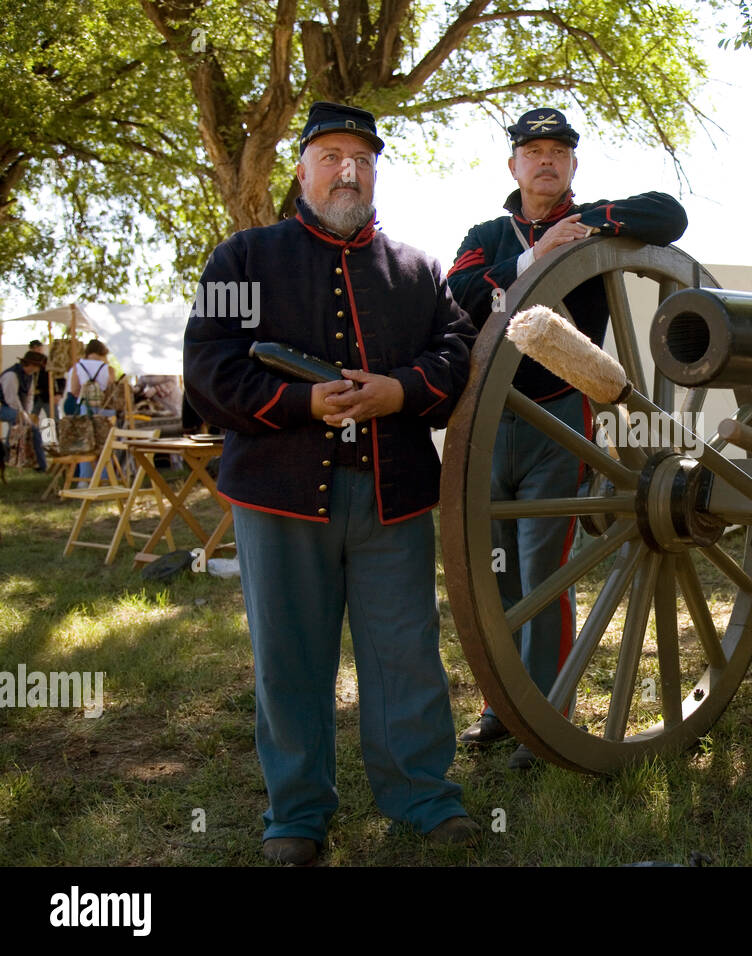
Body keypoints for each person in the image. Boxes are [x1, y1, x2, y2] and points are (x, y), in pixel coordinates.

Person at [184, 101, 480, 865]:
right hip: (281, 494)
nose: (348, 170)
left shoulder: (417, 269)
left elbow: (456, 354)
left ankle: (422, 795)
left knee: (406, 653)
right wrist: (300, 401)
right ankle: (297, 813)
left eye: (363, 158)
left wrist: (400, 391)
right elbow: (210, 369)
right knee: (289, 658)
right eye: (332, 156)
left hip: (394, 494)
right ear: (303, 169)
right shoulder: (242, 260)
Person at [447, 107, 687, 769]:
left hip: (559, 422)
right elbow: (461, 293)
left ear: (573, 165)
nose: (545, 161)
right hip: (489, 422)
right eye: (533, 151)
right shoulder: (487, 234)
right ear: (514, 165)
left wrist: (591, 227)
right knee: (495, 574)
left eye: (558, 151)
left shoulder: (593, 221)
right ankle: (503, 704)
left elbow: (668, 216)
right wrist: (534, 256)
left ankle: (547, 716)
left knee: (544, 575)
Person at [67, 340, 117, 480]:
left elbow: (74, 390)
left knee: (86, 444)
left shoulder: (78, 367)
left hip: (86, 408)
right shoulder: (108, 368)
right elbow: (111, 390)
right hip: (105, 408)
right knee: (106, 445)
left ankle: (85, 479)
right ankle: (106, 478)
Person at [0, 350, 49, 472]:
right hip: (5, 408)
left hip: (17, 409)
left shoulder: (29, 376)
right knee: (21, 422)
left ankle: (39, 464)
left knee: (32, 429)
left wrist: (27, 413)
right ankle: (7, 456)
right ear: (32, 365)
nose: (38, 370)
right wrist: (23, 414)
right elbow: (11, 399)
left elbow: (29, 396)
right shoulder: (11, 375)